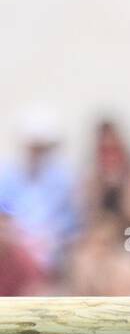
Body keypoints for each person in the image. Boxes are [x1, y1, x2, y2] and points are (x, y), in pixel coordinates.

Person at [0, 104, 80, 275]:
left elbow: (71, 222)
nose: (38, 153)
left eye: (43, 148)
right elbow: (4, 212)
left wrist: (52, 238)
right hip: (13, 251)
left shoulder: (64, 178)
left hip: (56, 253)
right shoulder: (7, 175)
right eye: (34, 147)